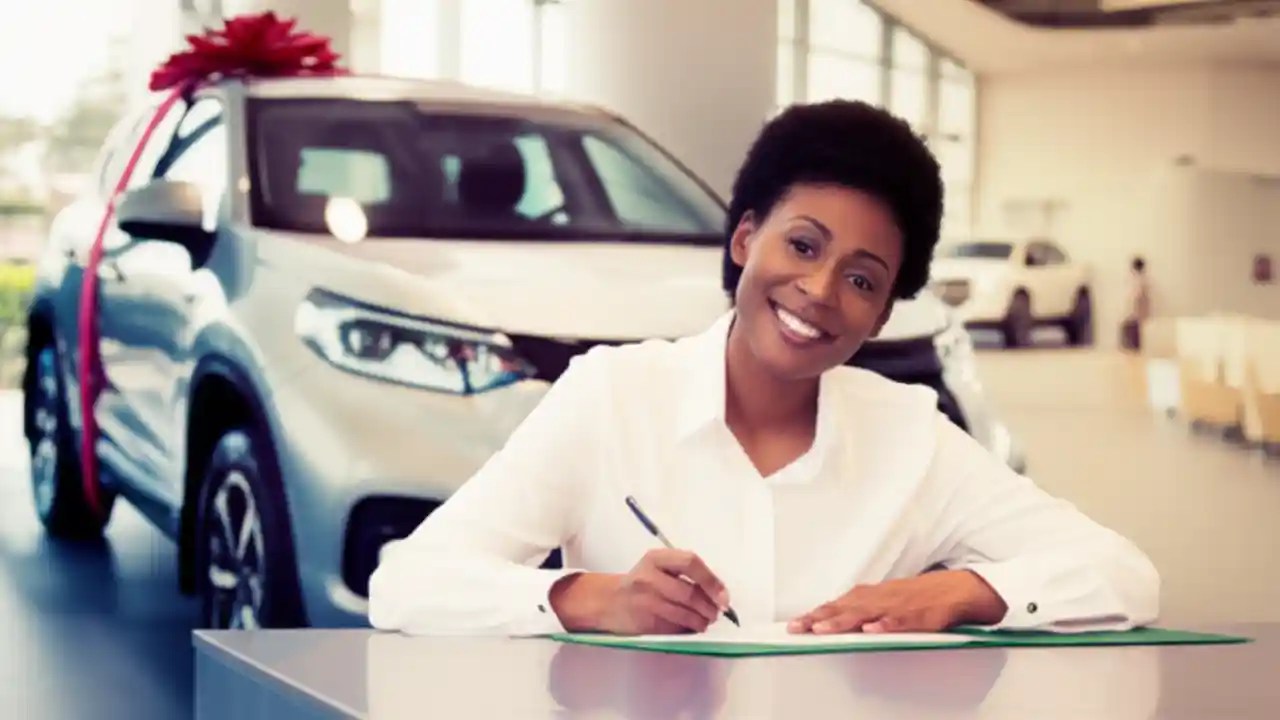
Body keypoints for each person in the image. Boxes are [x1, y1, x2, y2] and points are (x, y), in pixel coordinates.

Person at [368, 101, 1160, 637]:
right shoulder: (611, 397)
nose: (818, 292)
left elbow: (1123, 576)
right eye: (803, 245)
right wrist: (589, 597)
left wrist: (953, 593)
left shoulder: (912, 437)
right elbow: (405, 584)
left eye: (861, 280)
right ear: (746, 238)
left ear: (883, 313)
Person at [1121, 257, 1151, 351]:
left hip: (1135, 317)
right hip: (1137, 317)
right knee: (1134, 346)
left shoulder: (1139, 281)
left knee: (1132, 347)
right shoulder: (1143, 281)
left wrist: (1131, 315)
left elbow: (1136, 299)